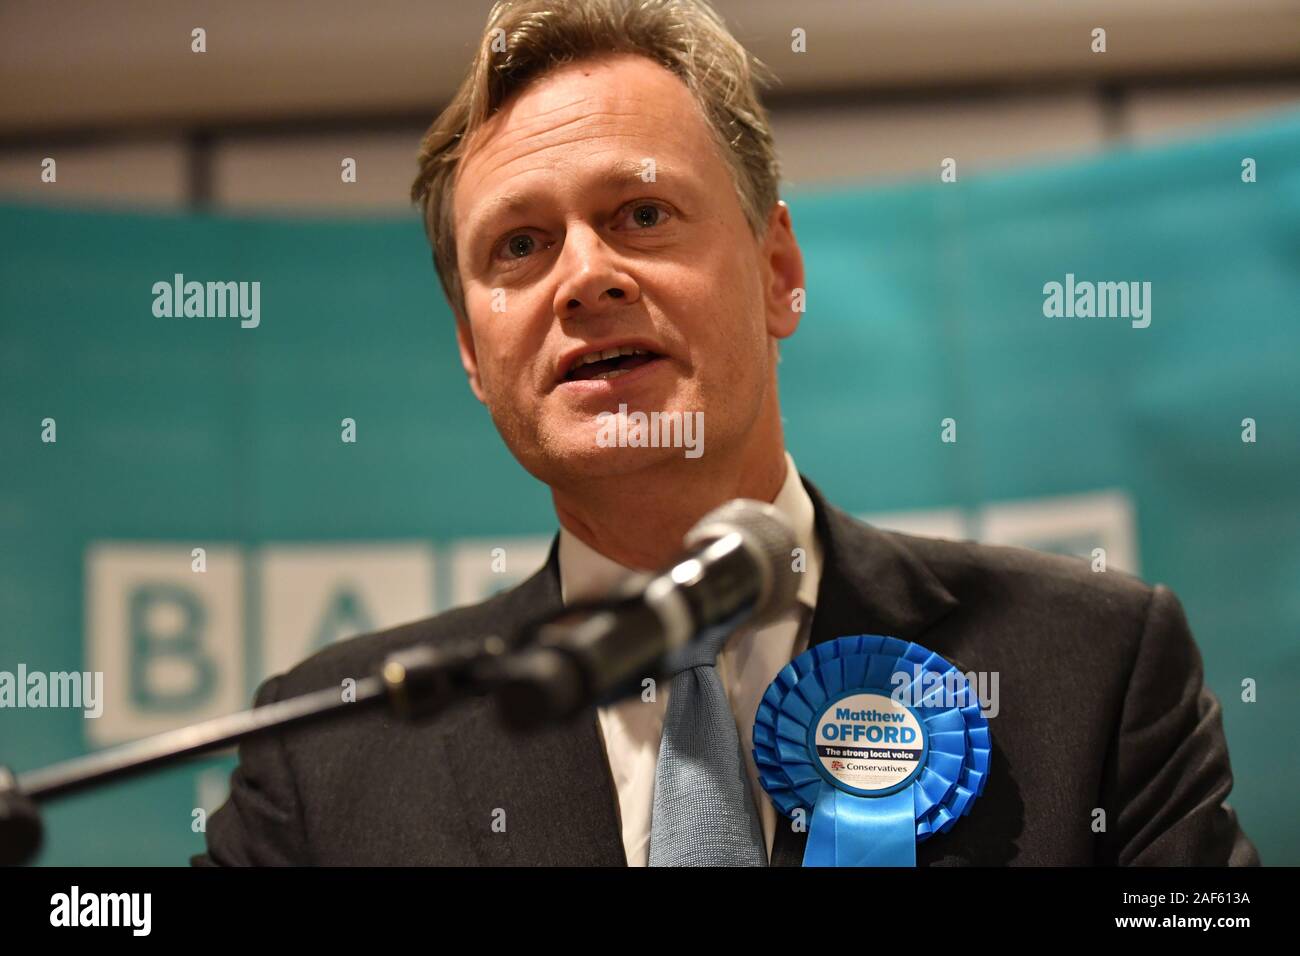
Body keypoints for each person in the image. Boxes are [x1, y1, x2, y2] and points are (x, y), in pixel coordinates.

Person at [195, 0, 1257, 866]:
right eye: (518, 244)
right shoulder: (330, 751)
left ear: (778, 270)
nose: (584, 276)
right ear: (473, 352)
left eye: (642, 215)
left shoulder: (1090, 664)